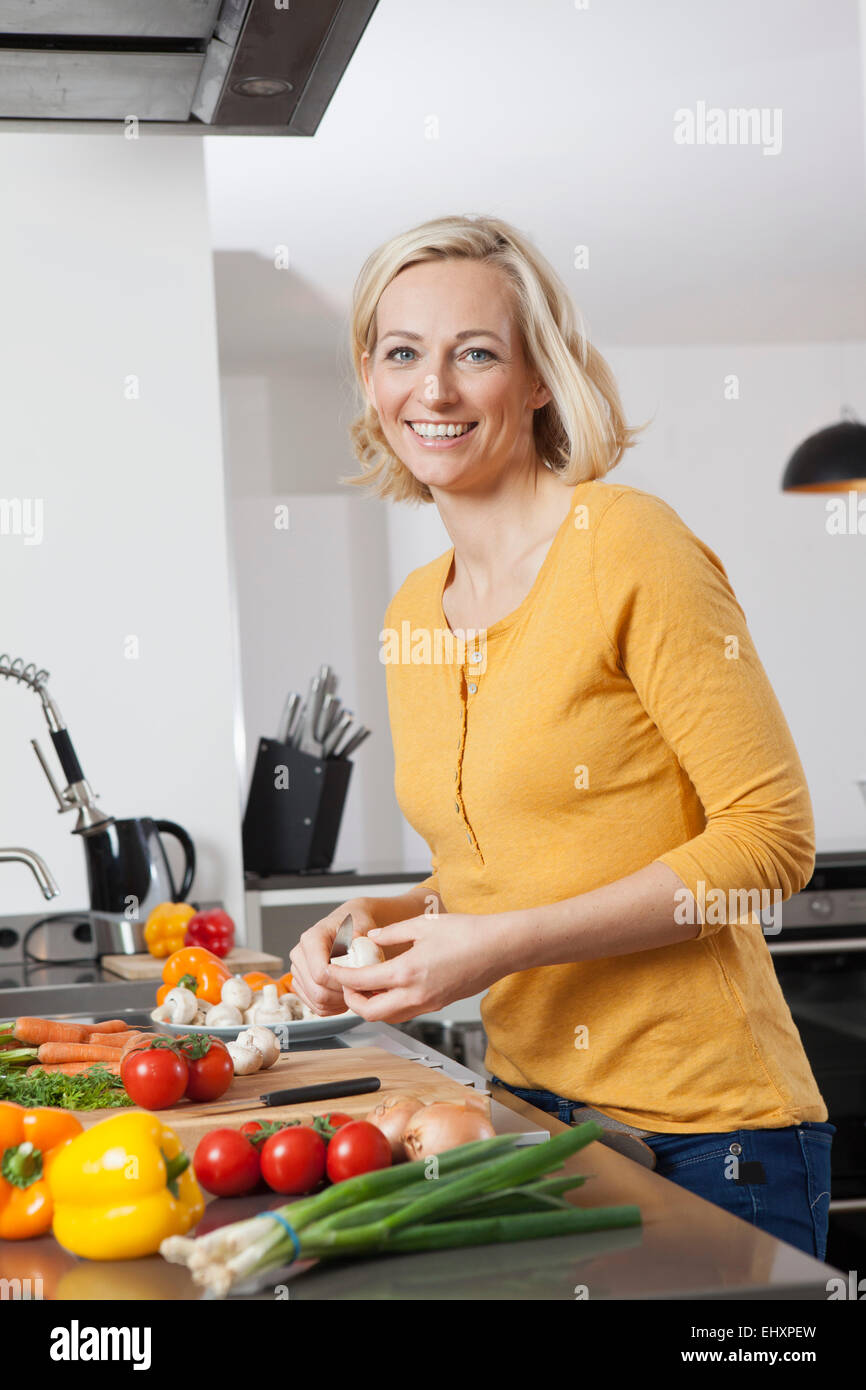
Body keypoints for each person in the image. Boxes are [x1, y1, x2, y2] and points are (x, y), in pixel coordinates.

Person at [289, 213, 834, 1260]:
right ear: (369, 380)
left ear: (537, 377)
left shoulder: (626, 543)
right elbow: (505, 872)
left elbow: (768, 846)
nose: (433, 390)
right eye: (402, 353)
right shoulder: (414, 609)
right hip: (526, 1122)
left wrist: (495, 946)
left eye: (474, 353)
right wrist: (390, 917)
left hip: (712, 1139)